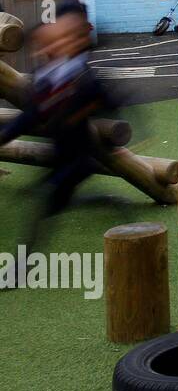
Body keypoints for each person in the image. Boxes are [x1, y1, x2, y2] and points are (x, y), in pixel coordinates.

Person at [0, 13, 115, 250]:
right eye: (43, 45)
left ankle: (21, 267)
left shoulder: (81, 77)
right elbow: (30, 116)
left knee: (44, 208)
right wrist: (4, 136)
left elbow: (108, 99)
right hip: (59, 157)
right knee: (57, 203)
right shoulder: (44, 79)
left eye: (56, 43)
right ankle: (108, 201)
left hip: (80, 159)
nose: (49, 49)